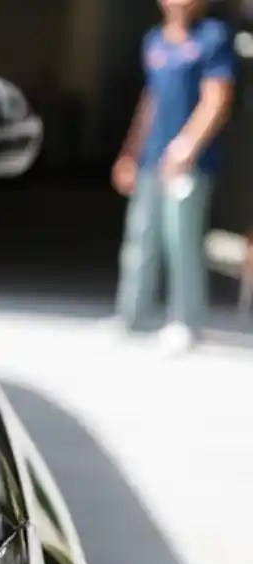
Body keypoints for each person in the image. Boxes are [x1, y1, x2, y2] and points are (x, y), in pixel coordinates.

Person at [112, 0, 237, 351]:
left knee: (181, 240)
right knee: (140, 238)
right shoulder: (154, 40)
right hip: (152, 156)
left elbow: (216, 98)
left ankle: (185, 319)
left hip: (189, 161)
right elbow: (150, 99)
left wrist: (187, 146)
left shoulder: (212, 37)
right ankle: (132, 315)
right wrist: (131, 152)